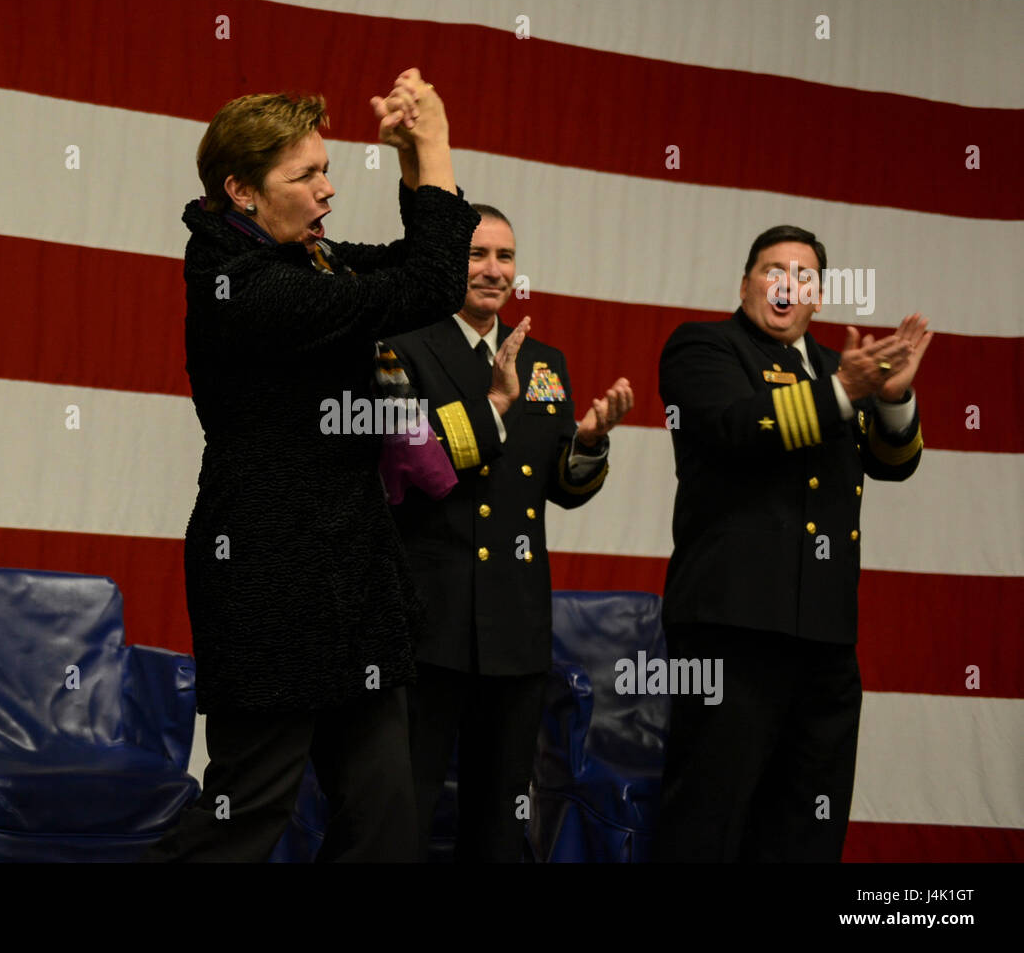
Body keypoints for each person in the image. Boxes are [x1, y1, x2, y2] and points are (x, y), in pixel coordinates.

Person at [146, 70, 479, 862]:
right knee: (247, 814)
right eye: (306, 175)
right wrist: (432, 143)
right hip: (269, 576)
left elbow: (416, 266)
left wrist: (407, 161)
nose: (329, 189)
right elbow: (430, 285)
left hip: (354, 575)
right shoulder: (243, 286)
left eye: (328, 168)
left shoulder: (307, 259)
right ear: (242, 191)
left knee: (385, 821)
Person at [654, 224, 932, 862]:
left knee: (809, 821)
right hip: (731, 628)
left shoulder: (847, 368)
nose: (786, 285)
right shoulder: (703, 347)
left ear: (818, 294)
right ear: (745, 283)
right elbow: (737, 428)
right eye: (772, 271)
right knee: (709, 814)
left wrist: (894, 399)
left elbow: (894, 463)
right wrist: (844, 393)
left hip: (827, 634)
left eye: (802, 276)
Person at [385, 206, 634, 861]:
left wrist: (588, 447)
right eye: (477, 255)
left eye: (505, 256)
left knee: (501, 814)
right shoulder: (404, 348)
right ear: (449, 264)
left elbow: (559, 487)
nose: (493, 271)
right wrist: (492, 403)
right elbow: (414, 467)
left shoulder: (544, 363)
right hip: (428, 623)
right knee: (401, 807)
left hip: (514, 627)